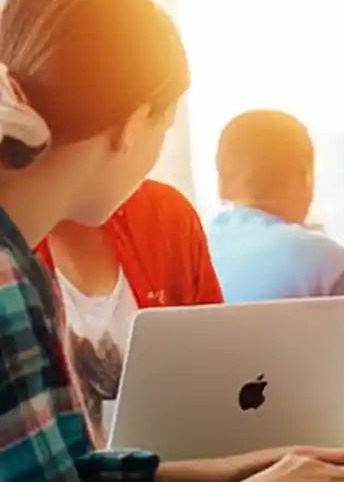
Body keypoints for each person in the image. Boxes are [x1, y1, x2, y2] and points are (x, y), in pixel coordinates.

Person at [0, 0, 344, 482]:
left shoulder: (12, 252)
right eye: (164, 126)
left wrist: (220, 472)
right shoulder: (5, 275)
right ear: (133, 125)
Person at [206, 110, 344, 425]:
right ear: (306, 176)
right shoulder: (315, 254)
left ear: (222, 182)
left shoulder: (199, 242)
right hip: (292, 433)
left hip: (217, 428)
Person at [33, 180, 224, 444]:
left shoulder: (165, 215)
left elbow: (219, 372)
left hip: (178, 463)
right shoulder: (15, 242)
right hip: (70, 480)